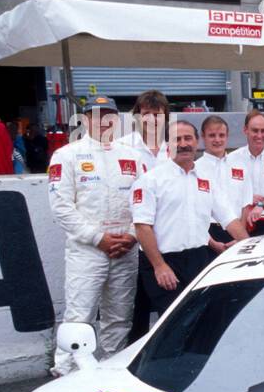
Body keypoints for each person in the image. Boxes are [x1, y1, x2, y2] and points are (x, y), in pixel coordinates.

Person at [47, 98, 141, 376]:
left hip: (125, 249)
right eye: (96, 116)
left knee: (119, 318)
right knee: (79, 316)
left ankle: (113, 371)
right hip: (87, 250)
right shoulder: (66, 155)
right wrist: (97, 238)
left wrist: (133, 236)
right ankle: (63, 372)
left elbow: (145, 201)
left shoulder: (132, 155)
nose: (103, 121)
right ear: (85, 120)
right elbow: (61, 207)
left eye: (109, 116)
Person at [131, 120, 248, 318]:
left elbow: (228, 218)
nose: (184, 144)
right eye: (177, 139)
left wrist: (249, 246)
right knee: (174, 322)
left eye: (188, 138)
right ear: (168, 144)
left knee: (202, 320)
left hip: (198, 259)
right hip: (163, 260)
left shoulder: (206, 178)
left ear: (197, 142)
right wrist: (159, 266)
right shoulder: (151, 180)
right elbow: (142, 227)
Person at [194, 115, 250, 242]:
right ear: (203, 137)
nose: (217, 140)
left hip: (236, 231)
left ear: (227, 136)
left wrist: (238, 237)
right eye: (212, 135)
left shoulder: (240, 166)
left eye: (221, 135)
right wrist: (212, 243)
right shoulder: (195, 169)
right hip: (206, 235)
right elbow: (193, 211)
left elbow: (245, 205)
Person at [118, 89, 172, 174]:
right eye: (146, 113)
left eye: (156, 114)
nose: (151, 119)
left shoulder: (175, 147)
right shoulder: (123, 145)